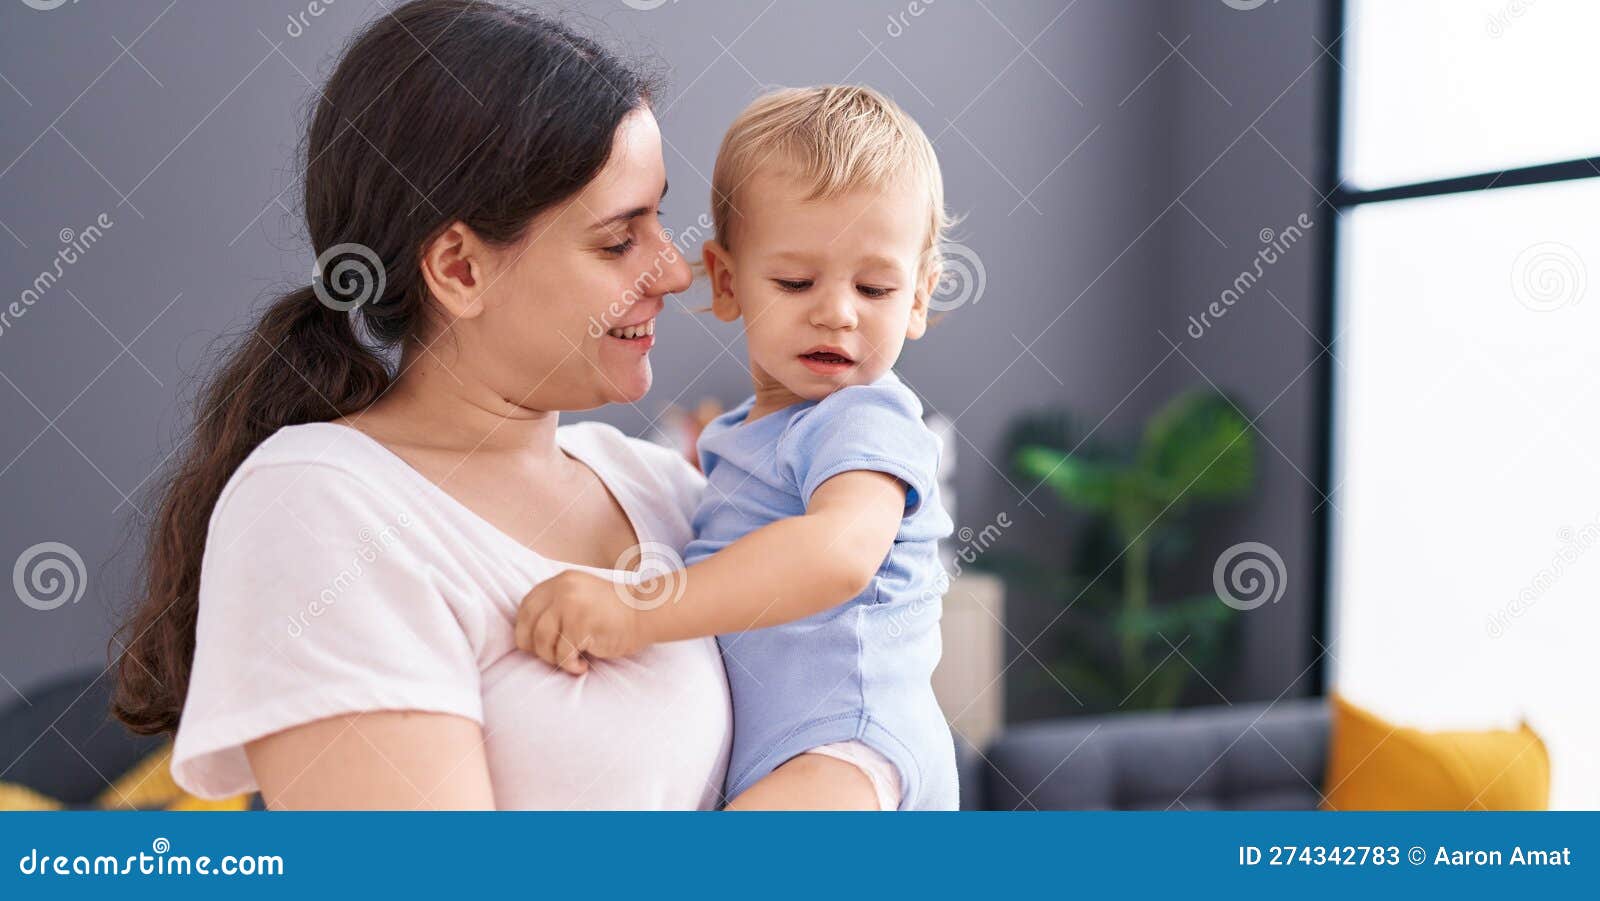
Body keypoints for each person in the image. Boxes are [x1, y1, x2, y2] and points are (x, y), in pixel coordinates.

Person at [111, 0, 732, 810]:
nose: (675, 271)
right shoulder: (317, 508)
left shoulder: (672, 490)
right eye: (619, 241)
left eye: (658, 222)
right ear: (460, 270)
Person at [516, 86, 959, 810]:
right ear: (726, 281)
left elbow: (837, 553)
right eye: (795, 280)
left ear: (918, 298)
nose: (837, 311)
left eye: (876, 288)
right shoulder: (741, 436)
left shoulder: (865, 418)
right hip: (789, 753)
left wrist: (636, 611)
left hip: (847, 747)